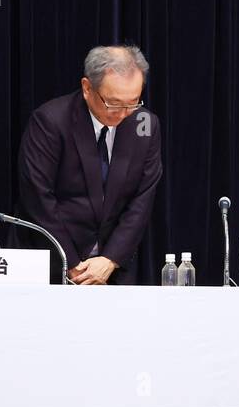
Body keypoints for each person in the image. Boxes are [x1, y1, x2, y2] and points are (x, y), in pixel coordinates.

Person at [14, 45, 163, 284]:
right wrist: (72, 264)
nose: (124, 113)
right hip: (52, 264)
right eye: (113, 103)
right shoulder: (51, 121)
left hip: (111, 270)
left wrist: (110, 259)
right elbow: (38, 198)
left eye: (133, 102)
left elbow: (141, 200)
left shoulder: (145, 125)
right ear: (87, 88)